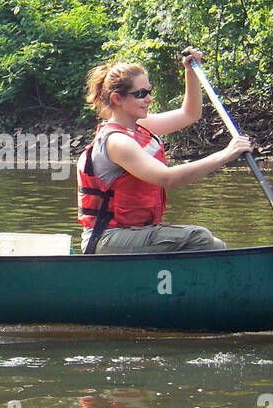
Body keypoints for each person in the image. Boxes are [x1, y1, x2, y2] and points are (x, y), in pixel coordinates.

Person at [77, 48, 252, 254]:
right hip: (107, 238)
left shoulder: (140, 127)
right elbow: (168, 179)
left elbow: (190, 114)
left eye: (149, 91)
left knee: (216, 246)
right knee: (199, 237)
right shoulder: (117, 141)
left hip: (135, 233)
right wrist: (226, 154)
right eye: (140, 94)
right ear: (117, 99)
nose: (149, 98)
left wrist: (191, 72)